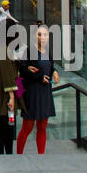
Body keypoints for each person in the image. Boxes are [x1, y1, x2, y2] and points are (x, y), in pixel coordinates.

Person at [17, 25, 58, 154]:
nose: (43, 38)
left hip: (44, 93)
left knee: (42, 126)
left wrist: (55, 72)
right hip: (32, 93)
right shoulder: (29, 51)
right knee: (27, 127)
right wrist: (40, 77)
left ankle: (41, 155)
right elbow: (22, 70)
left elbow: (51, 67)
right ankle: (19, 154)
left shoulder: (47, 52)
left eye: (45, 35)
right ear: (35, 36)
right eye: (40, 35)